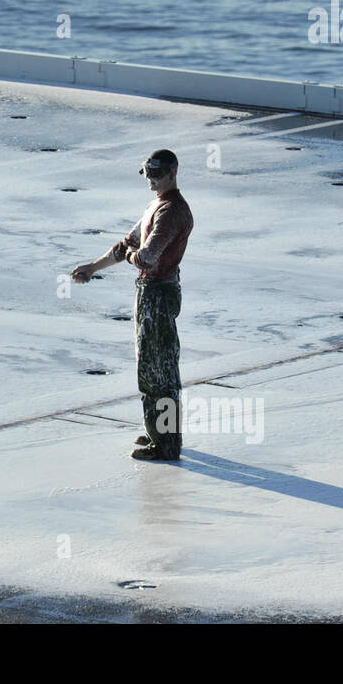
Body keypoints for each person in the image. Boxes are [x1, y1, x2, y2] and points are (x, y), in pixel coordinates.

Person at [69, 148, 193, 461]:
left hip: (159, 294)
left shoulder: (172, 212)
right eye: (147, 174)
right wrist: (92, 267)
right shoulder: (156, 206)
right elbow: (128, 242)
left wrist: (130, 257)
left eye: (156, 174)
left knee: (159, 370)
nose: (150, 180)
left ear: (172, 173)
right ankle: (159, 432)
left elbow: (146, 256)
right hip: (150, 291)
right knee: (150, 366)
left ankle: (166, 443)